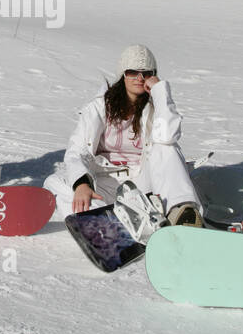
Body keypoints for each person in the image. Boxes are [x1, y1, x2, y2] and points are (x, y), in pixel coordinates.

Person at [46, 45, 203, 225]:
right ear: (123, 74)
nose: (139, 78)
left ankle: (181, 214)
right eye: (132, 72)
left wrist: (160, 91)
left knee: (167, 147)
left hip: (143, 182)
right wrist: (82, 184)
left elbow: (167, 136)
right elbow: (78, 150)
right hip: (104, 180)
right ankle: (104, 222)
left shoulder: (155, 106)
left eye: (146, 73)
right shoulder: (100, 107)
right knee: (56, 181)